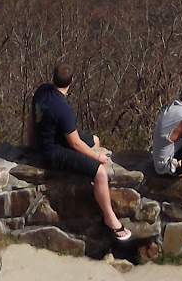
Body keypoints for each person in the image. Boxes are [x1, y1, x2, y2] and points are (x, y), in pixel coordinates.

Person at [30, 64, 131, 242]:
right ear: (72, 81)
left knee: (94, 140)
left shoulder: (42, 91)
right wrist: (97, 157)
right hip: (53, 153)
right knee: (100, 172)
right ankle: (111, 219)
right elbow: (75, 143)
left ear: (53, 78)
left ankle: (109, 216)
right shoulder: (62, 108)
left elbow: (31, 118)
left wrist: (30, 142)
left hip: (49, 140)